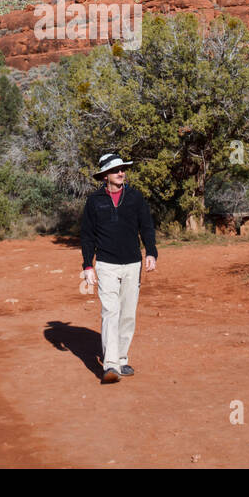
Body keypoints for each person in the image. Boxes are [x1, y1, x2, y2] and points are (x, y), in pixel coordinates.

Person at [79, 152, 157, 384]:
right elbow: (87, 235)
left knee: (128, 314)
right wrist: (88, 265)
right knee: (110, 312)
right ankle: (111, 364)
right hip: (106, 265)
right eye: (115, 170)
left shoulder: (135, 197)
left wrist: (151, 252)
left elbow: (147, 226)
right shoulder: (94, 201)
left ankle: (121, 359)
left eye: (122, 169)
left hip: (133, 263)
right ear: (105, 175)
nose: (121, 173)